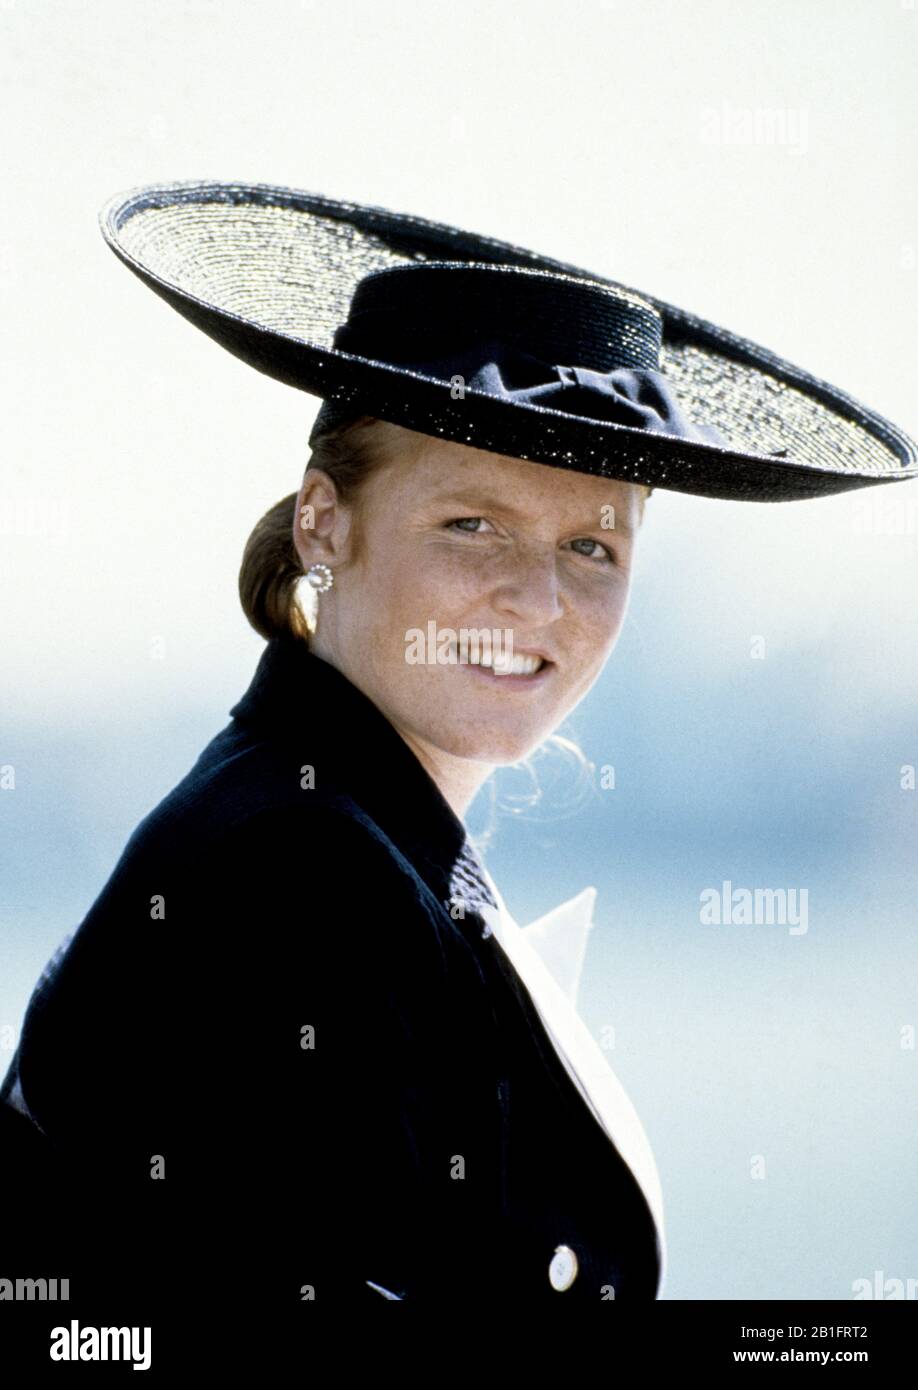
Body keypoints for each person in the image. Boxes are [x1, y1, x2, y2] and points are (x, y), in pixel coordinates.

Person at [2, 181, 915, 1321]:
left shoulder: (337, 829)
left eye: (591, 543)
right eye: (471, 524)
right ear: (323, 522)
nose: (536, 599)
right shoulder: (302, 870)